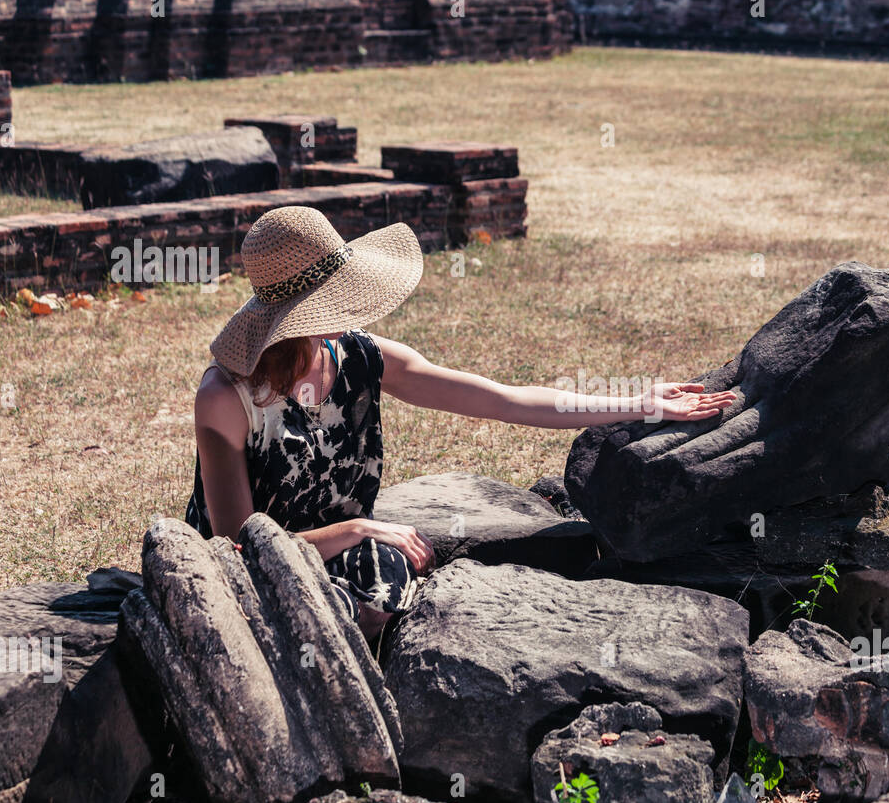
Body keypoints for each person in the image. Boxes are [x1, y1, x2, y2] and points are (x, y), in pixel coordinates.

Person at [186, 206, 736, 641]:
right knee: (348, 588)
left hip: (345, 563)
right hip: (254, 574)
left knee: (380, 582)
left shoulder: (361, 357)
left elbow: (507, 402)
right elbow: (237, 544)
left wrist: (638, 403)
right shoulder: (226, 397)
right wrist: (358, 528)